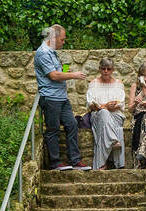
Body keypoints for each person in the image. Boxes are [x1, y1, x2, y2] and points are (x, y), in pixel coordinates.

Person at [34, 24, 88, 171]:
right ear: (54, 37)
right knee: (53, 129)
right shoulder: (43, 53)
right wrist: (73, 75)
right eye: (62, 39)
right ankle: (55, 162)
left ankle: (75, 160)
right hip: (51, 98)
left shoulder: (52, 52)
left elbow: (56, 71)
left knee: (72, 124)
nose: (63, 42)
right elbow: (53, 75)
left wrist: (65, 71)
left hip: (62, 97)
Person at [86, 59, 126, 170]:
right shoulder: (93, 84)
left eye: (108, 69)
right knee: (104, 113)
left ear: (112, 70)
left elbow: (121, 103)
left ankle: (101, 164)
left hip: (115, 115)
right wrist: (104, 107)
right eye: (103, 68)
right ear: (100, 69)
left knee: (106, 116)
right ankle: (113, 140)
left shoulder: (118, 84)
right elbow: (90, 104)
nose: (106, 71)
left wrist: (112, 106)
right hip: (98, 115)